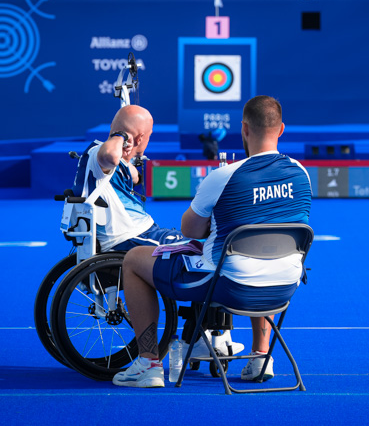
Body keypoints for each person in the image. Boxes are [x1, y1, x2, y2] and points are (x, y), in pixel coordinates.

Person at [113, 95, 312, 388]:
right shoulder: (302, 173)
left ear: (244, 129)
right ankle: (261, 355)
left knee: (133, 261)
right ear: (281, 129)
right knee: (266, 250)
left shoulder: (224, 176)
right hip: (284, 286)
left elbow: (190, 229)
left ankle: (148, 364)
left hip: (231, 286)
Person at [70, 104, 244, 354]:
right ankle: (198, 340)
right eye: (147, 137)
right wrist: (121, 136)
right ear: (139, 137)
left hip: (141, 233)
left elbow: (130, 173)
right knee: (207, 250)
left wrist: (129, 158)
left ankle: (197, 335)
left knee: (199, 242)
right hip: (130, 238)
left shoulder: (107, 160)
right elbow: (109, 155)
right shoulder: (101, 151)